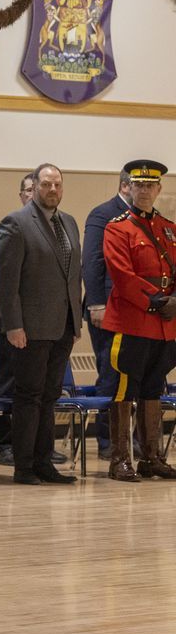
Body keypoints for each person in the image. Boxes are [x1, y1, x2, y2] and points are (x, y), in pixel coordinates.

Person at [0, 163, 81, 485]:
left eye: (57, 184)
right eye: (46, 184)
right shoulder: (15, 224)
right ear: (35, 186)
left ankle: (45, 463)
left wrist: (77, 321)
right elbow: (6, 282)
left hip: (63, 326)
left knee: (50, 396)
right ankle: (24, 466)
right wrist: (14, 325)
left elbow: (73, 277)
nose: (53, 189)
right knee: (28, 397)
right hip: (28, 327)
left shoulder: (69, 223)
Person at [101, 159, 176, 482]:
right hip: (133, 319)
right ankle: (119, 459)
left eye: (150, 185)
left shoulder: (169, 229)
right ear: (127, 187)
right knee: (124, 390)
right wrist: (155, 301)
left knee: (152, 389)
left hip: (164, 324)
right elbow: (122, 274)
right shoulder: (117, 227)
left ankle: (151, 457)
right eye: (139, 185)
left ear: (159, 189)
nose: (144, 190)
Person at [82, 169, 132, 461]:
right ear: (125, 185)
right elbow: (92, 261)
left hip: (135, 312)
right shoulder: (103, 214)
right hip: (107, 309)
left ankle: (128, 440)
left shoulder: (145, 219)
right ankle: (106, 440)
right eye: (138, 184)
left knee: (132, 377)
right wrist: (96, 304)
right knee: (110, 373)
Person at [0, 173, 37, 465]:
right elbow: (6, 275)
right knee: (7, 385)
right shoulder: (9, 224)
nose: (33, 194)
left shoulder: (55, 227)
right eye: (29, 190)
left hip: (42, 322)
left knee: (34, 386)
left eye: (37, 189)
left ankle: (31, 444)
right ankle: (2, 442)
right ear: (21, 195)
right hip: (11, 320)